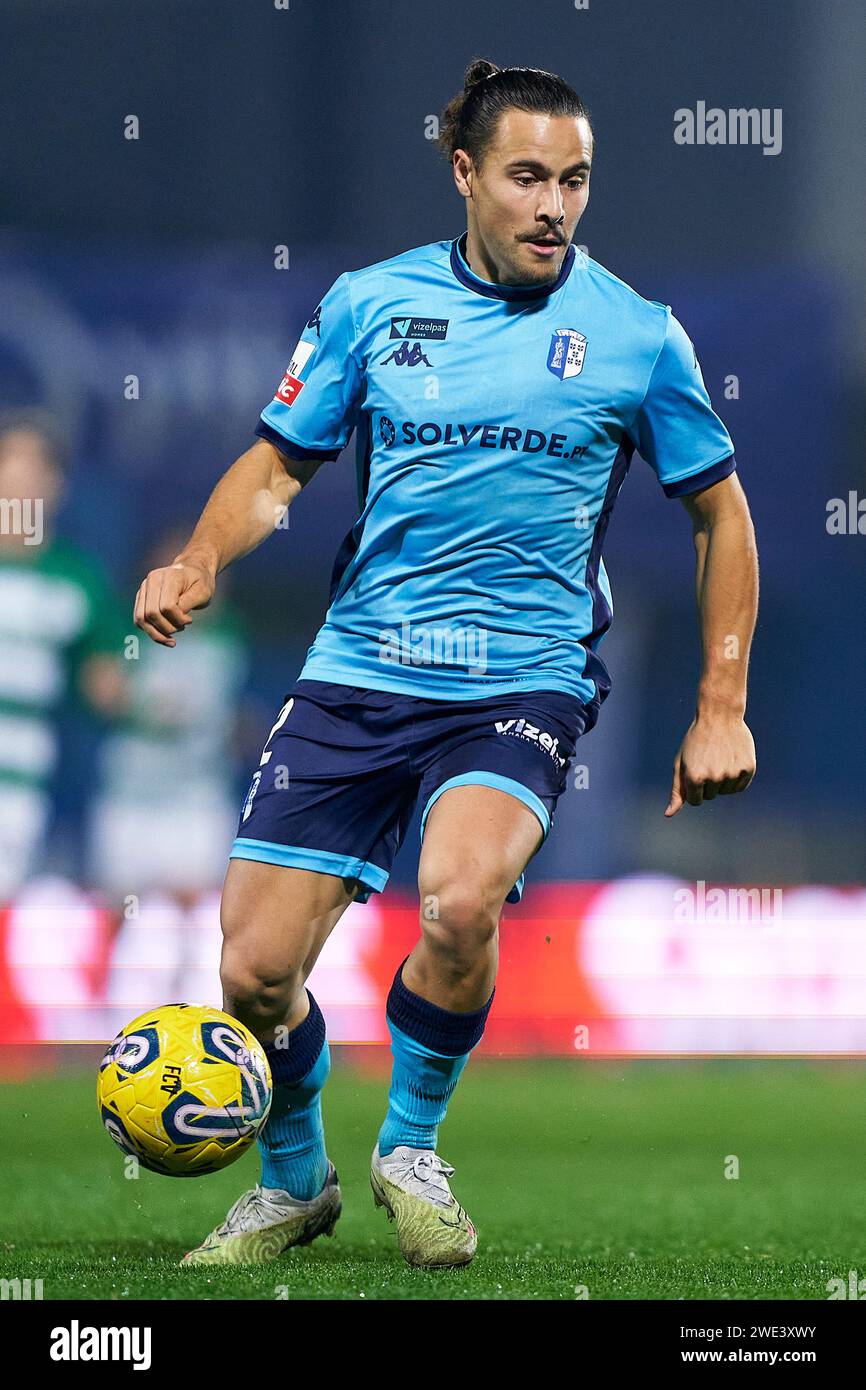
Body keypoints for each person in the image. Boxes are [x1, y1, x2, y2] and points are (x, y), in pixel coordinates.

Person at [134, 58, 758, 1269]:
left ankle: (409, 1147)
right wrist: (202, 558)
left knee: (463, 896)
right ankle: (294, 1181)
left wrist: (718, 700)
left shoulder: (636, 335)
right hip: (362, 667)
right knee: (254, 973)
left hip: (520, 676)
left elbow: (719, 514)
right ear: (464, 172)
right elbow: (275, 467)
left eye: (574, 180)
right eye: (526, 176)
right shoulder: (369, 305)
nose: (553, 206)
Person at [0, 411, 128, 899]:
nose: (23, 485)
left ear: (56, 486)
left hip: (21, 787)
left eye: (37, 471)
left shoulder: (77, 581)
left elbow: (108, 684)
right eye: (13, 467)